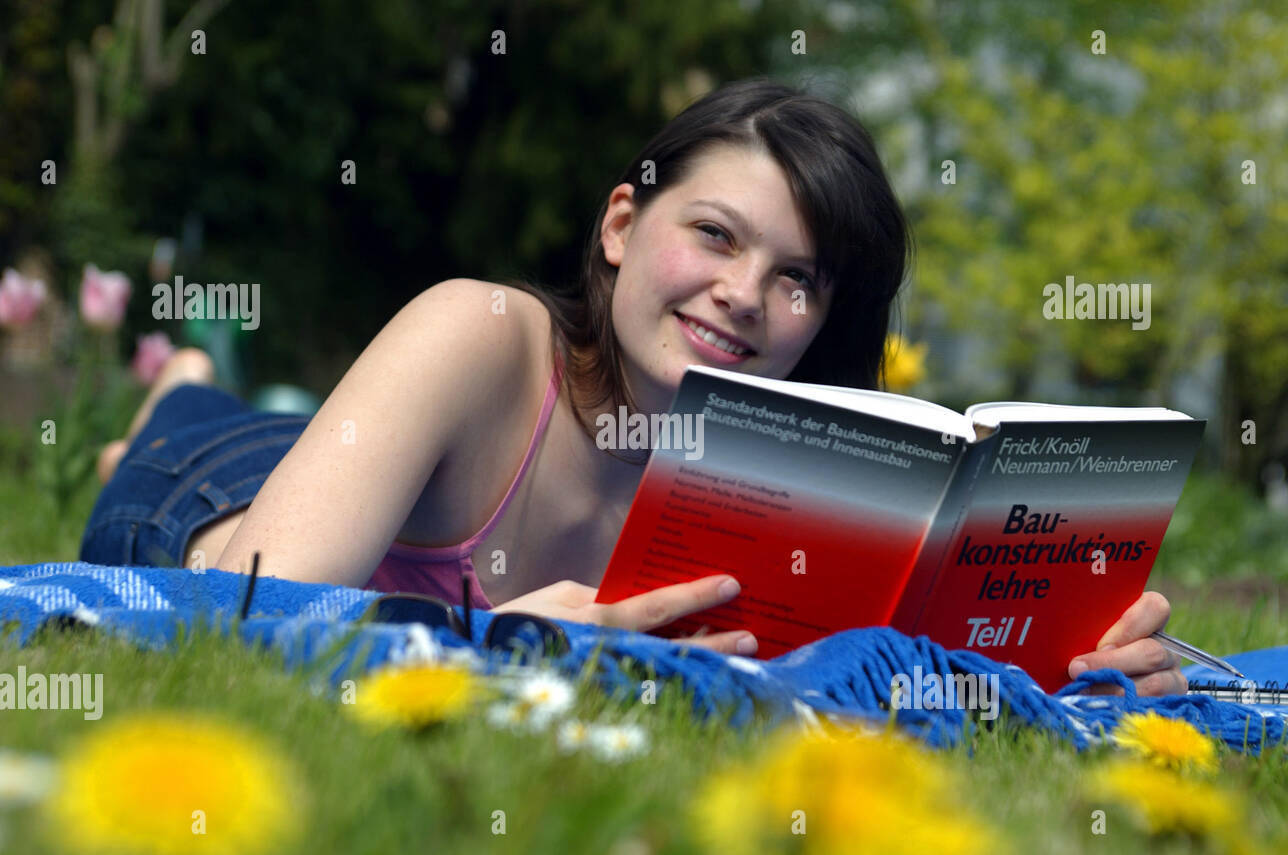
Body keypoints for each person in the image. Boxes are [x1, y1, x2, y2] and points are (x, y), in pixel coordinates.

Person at [84, 77, 1185, 694]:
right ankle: (175, 386)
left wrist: (1076, 659)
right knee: (209, 426)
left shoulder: (809, 477)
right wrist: (501, 633)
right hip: (205, 502)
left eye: (796, 277)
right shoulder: (479, 331)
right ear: (622, 225)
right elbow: (237, 623)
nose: (744, 294)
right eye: (713, 233)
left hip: (361, 482)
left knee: (299, 429)